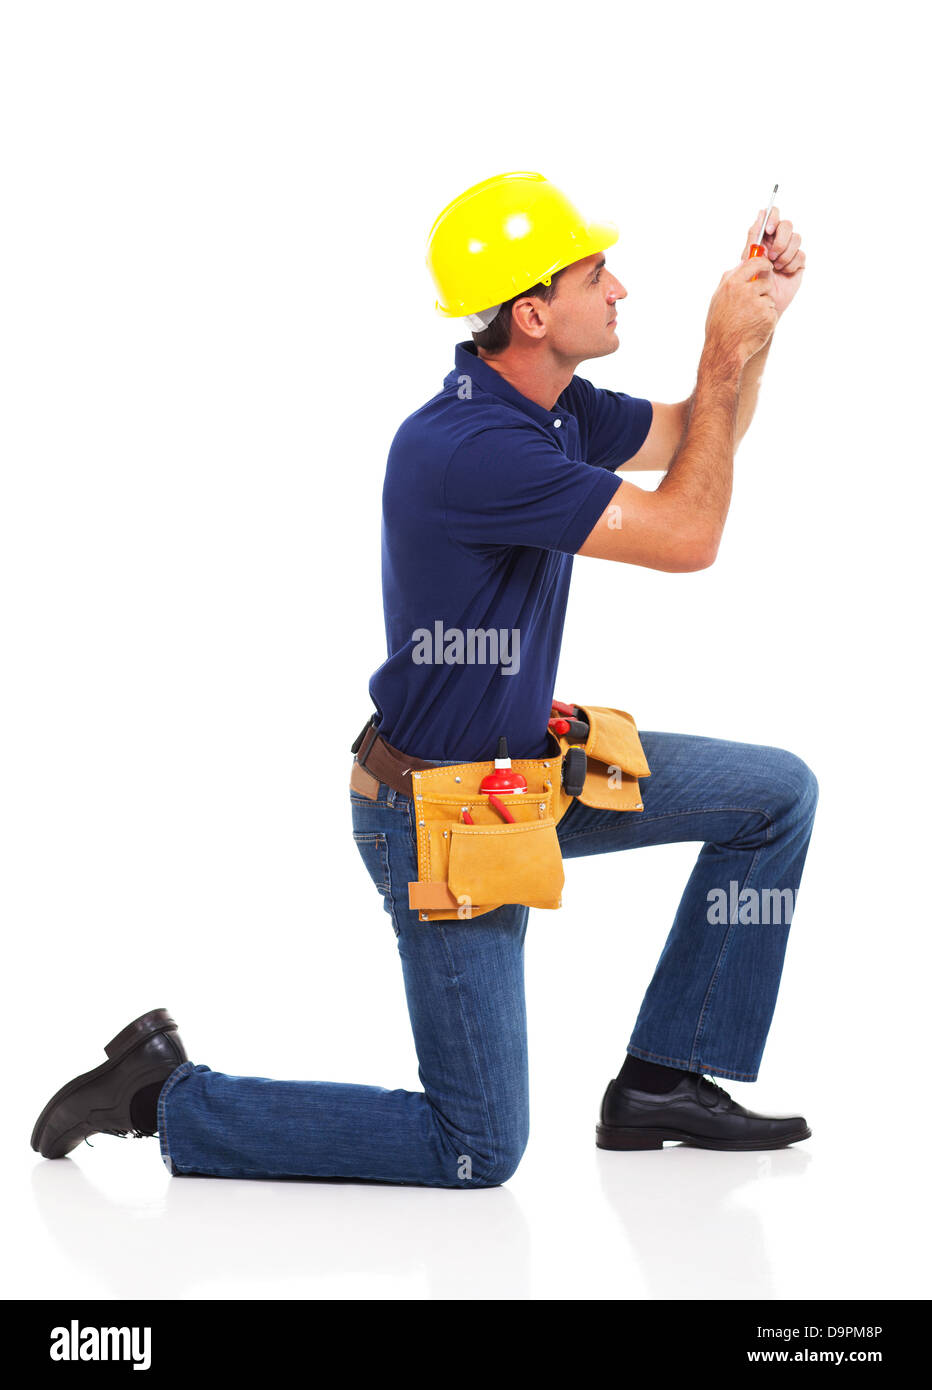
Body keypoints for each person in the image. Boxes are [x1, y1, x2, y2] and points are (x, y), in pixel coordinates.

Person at [32, 172, 818, 1186]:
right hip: (442, 818)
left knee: (775, 797)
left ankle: (663, 1079)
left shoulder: (550, 409)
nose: (619, 287)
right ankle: (162, 1095)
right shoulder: (473, 451)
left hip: (526, 774)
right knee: (475, 1146)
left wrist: (754, 333)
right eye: (595, 274)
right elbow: (689, 532)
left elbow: (698, 434)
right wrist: (719, 348)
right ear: (533, 312)